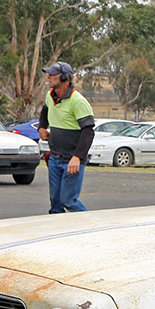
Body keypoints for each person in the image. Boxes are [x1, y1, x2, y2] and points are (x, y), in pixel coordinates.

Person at [37, 61, 94, 213]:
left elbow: (88, 132)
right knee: (55, 204)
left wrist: (77, 157)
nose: (48, 77)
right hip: (55, 158)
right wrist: (41, 127)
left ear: (64, 77)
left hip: (72, 160)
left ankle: (94, 227)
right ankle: (56, 234)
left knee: (68, 200)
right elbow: (45, 110)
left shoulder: (78, 101)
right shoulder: (50, 95)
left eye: (52, 74)